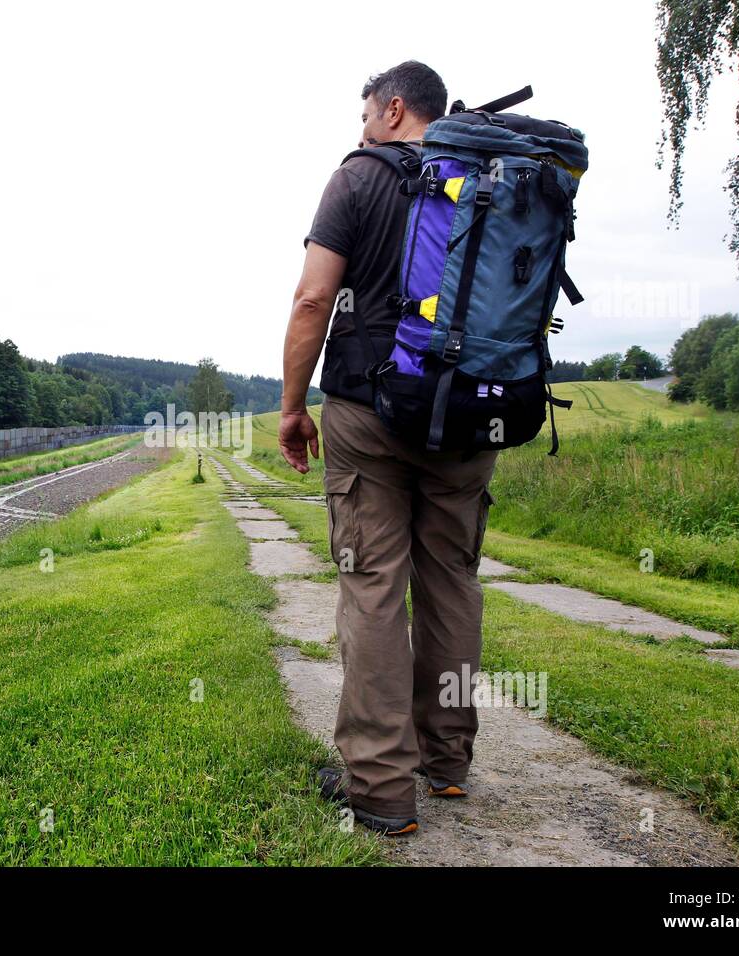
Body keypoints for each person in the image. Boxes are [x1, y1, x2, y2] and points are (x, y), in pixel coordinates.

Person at [278, 60, 499, 836]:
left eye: (366, 111)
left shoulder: (359, 178)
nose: (362, 126)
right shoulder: (494, 175)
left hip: (371, 415)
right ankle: (446, 764)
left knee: (373, 587)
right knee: (452, 585)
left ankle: (379, 788)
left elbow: (312, 297)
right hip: (473, 420)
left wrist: (292, 407)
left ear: (394, 108)